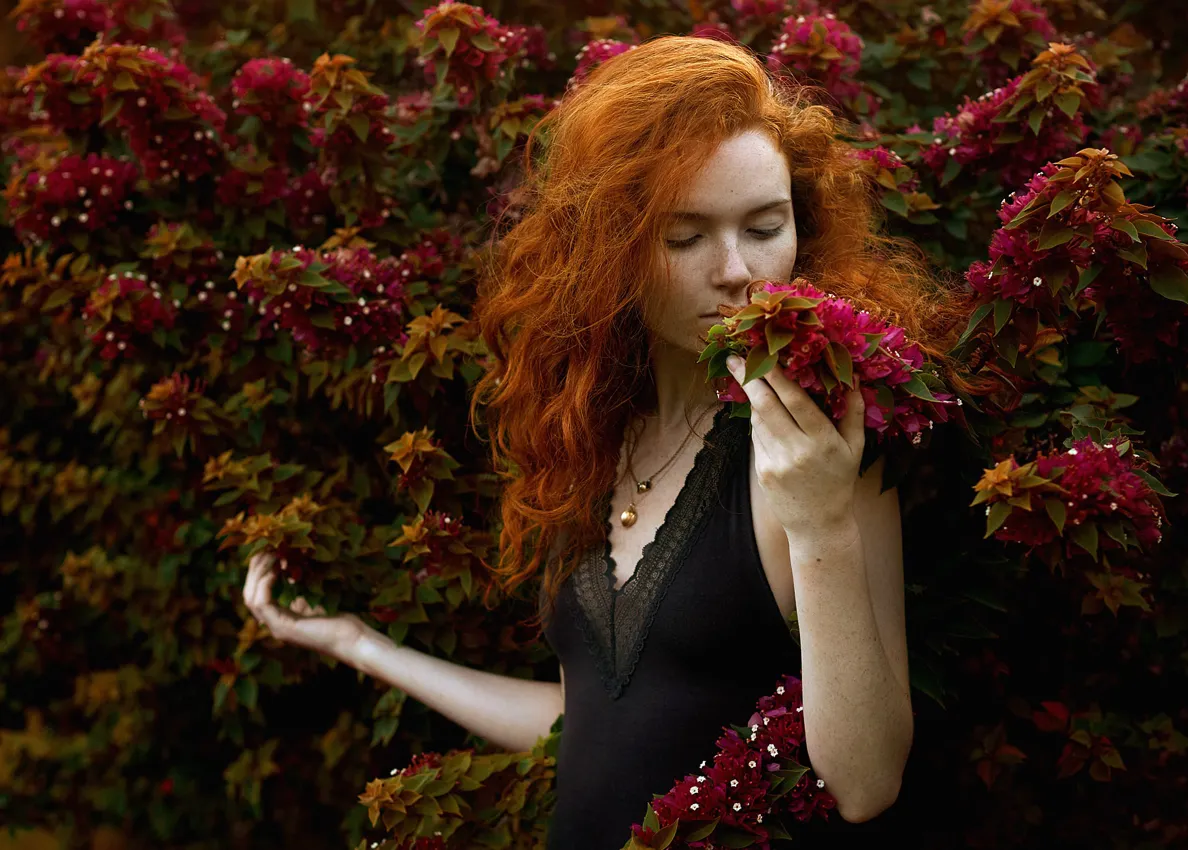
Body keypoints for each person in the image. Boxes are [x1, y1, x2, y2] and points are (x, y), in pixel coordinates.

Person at [245, 34, 979, 849]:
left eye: (766, 226)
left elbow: (866, 783)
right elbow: (595, 725)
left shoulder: (821, 447)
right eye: (684, 237)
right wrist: (360, 644)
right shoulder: (594, 439)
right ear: (610, 249)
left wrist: (822, 524)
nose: (738, 270)